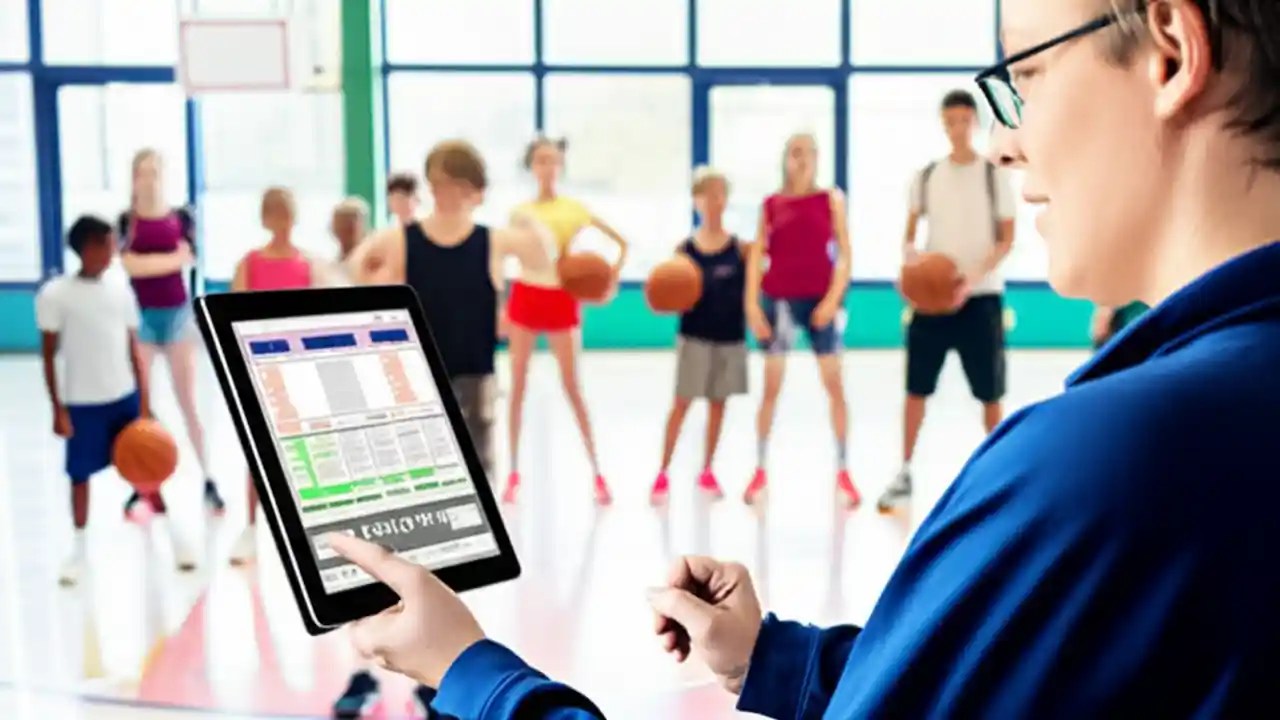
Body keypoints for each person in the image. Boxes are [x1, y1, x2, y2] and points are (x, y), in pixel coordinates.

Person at [322, 0, 1280, 715]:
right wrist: (774, 662)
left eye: (1022, 80)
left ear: (1168, 50)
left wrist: (468, 672)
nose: (1002, 141)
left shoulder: (1106, 465)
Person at [337, 139, 554, 719]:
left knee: (456, 534)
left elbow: (543, 257)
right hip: (415, 386)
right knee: (393, 526)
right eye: (439, 179)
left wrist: (531, 213)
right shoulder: (404, 239)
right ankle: (367, 663)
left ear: (468, 186)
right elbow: (356, 267)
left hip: (474, 384)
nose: (444, 188)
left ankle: (440, 667)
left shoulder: (490, 239)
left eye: (452, 180)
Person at [877, 90, 1018, 514]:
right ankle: (903, 473)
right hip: (931, 305)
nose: (956, 128)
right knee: (915, 390)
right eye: (949, 121)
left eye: (963, 120)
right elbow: (908, 238)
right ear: (942, 123)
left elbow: (1007, 238)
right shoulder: (926, 176)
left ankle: (1000, 475)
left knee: (990, 394)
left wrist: (970, 278)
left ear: (973, 122)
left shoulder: (993, 177)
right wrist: (911, 271)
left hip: (980, 299)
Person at [39, 216, 196, 586]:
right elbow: (48, 356)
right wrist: (57, 409)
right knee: (79, 478)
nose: (114, 251)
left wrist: (143, 401)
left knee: (149, 466)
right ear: (87, 247)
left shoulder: (121, 292)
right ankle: (78, 552)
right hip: (82, 404)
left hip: (124, 400)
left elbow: (133, 350)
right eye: (107, 244)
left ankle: (175, 537)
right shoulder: (55, 295)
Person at [502, 136, 629, 506]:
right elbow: (508, 254)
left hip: (561, 299)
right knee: (518, 386)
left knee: (573, 387)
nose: (548, 167)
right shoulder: (519, 213)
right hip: (526, 295)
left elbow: (622, 243)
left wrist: (609, 281)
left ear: (561, 166)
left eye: (553, 161)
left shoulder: (575, 209)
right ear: (531, 166)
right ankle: (512, 473)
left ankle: (597, 473)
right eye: (541, 160)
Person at [743, 133, 858, 508]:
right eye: (795, 153)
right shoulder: (771, 204)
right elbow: (757, 256)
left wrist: (832, 300)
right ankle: (759, 470)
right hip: (778, 301)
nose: (802, 160)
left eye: (809, 153)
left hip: (820, 301)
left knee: (835, 387)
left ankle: (844, 470)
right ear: (786, 158)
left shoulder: (831, 201)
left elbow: (845, 254)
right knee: (770, 389)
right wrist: (753, 307)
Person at [118, 149, 226, 520]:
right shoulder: (126, 221)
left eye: (154, 171)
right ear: (134, 177)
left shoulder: (181, 217)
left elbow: (189, 258)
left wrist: (156, 263)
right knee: (143, 408)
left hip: (178, 318)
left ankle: (209, 480)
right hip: (142, 320)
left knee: (188, 404)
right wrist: (168, 260)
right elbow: (130, 265)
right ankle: (144, 486)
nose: (149, 178)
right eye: (142, 172)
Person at [228, 187, 321, 566]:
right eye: (273, 213)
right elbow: (233, 316)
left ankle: (307, 535)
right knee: (258, 452)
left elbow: (316, 319)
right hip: (258, 365)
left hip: (296, 369)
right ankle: (250, 529)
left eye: (286, 213)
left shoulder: (307, 264)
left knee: (304, 453)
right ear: (265, 218)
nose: (280, 221)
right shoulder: (248, 263)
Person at [650, 167, 746, 506]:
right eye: (708, 194)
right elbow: (665, 295)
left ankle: (707, 470)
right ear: (697, 201)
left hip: (729, 338)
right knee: (682, 404)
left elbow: (753, 292)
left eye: (720, 194)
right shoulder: (684, 251)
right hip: (694, 338)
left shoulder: (742, 249)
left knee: (718, 406)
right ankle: (662, 472)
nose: (715, 201)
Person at [327, 197, 371, 286]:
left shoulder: (374, 267)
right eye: (342, 223)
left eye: (351, 226)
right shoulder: (329, 269)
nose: (345, 228)